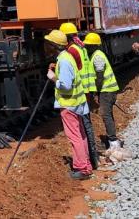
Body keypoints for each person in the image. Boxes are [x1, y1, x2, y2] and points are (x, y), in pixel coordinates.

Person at [45, 30, 92, 180]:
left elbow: (65, 86)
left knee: (75, 137)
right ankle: (86, 165)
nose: (45, 47)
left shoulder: (64, 61)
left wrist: (53, 78)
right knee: (81, 135)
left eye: (48, 44)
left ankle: (82, 169)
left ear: (53, 46)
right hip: (76, 102)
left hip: (69, 104)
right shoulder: (66, 57)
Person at [60, 22, 99, 168]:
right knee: (85, 127)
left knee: (83, 128)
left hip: (79, 92)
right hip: (85, 90)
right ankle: (92, 160)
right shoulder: (80, 47)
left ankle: (89, 161)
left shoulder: (72, 50)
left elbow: (71, 73)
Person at [84, 33, 120, 149]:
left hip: (107, 90)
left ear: (95, 45)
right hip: (107, 90)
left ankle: (113, 142)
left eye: (89, 45)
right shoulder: (96, 54)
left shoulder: (98, 56)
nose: (87, 47)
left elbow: (99, 76)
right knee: (107, 114)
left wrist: (95, 90)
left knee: (106, 115)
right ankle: (112, 140)